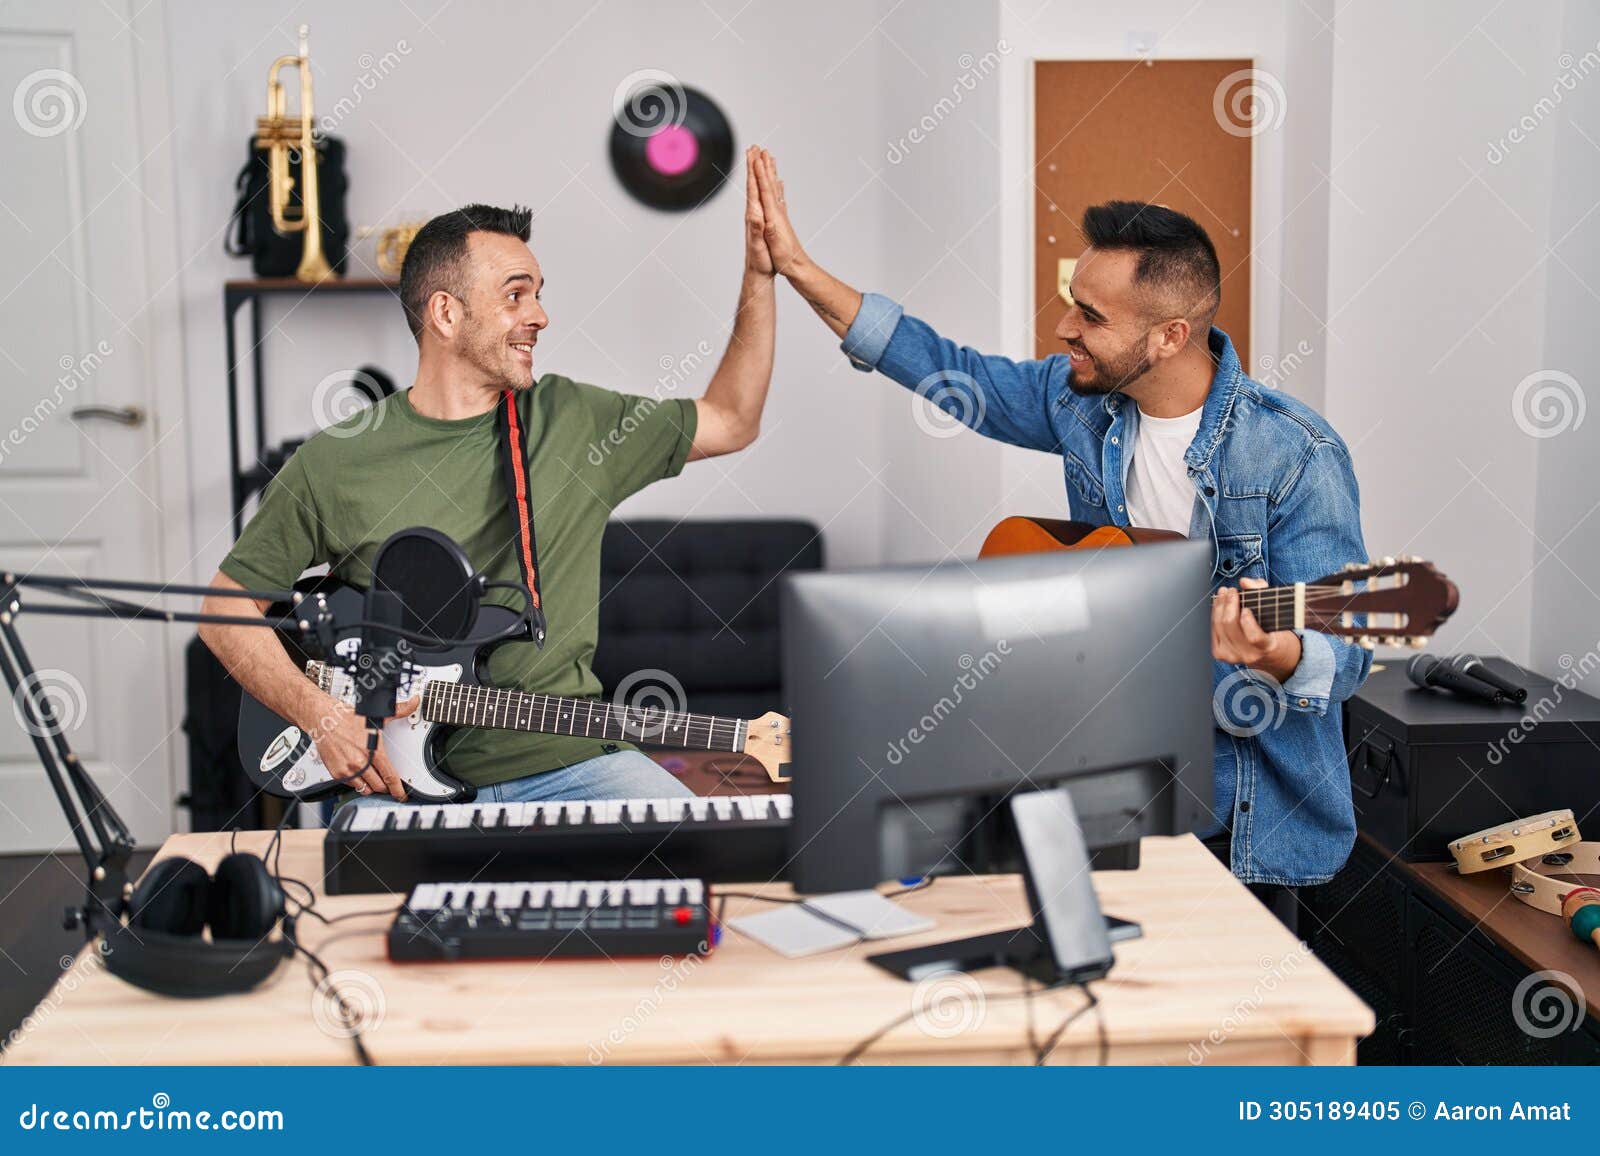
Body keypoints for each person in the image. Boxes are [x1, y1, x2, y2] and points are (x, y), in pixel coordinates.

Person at [748, 147, 1370, 925]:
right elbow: (945, 368)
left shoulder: (1295, 455)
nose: (1065, 328)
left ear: (1171, 335)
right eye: (1073, 303)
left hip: (1238, 814)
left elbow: (1344, 656)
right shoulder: (1080, 402)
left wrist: (1277, 651)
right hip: (1105, 786)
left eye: (1092, 317)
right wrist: (797, 267)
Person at [199, 148, 779, 811]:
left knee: (695, 856)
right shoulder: (336, 461)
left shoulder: (575, 420)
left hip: (575, 762)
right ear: (446, 315)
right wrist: (319, 715)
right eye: (515, 295)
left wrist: (760, 274)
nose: (540, 315)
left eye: (538, 293)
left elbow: (733, 419)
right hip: (399, 786)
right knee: (359, 905)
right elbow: (223, 610)